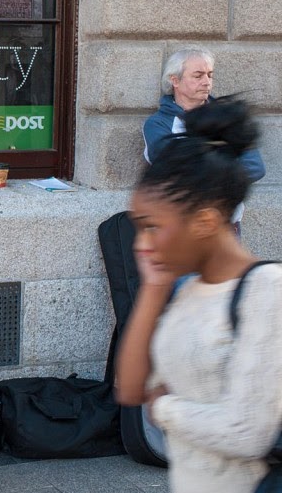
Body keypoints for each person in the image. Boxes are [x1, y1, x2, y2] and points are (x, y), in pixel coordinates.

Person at [116, 98, 282, 492]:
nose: (142, 244)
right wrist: (154, 289)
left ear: (205, 221)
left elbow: (245, 432)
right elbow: (132, 387)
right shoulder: (188, 291)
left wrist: (166, 408)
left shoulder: (268, 290)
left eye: (153, 227)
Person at [143, 45, 265, 226]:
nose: (207, 82)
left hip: (225, 225)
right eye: (198, 75)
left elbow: (255, 168)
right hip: (180, 227)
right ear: (175, 80)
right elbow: (169, 170)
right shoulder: (158, 124)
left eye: (210, 74)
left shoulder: (228, 118)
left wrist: (200, 174)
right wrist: (225, 166)